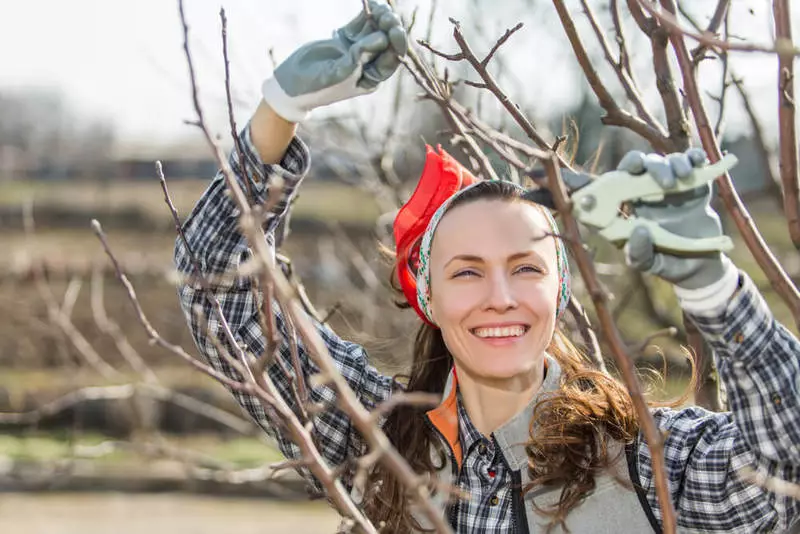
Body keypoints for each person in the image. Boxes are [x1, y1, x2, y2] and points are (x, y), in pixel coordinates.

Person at [175, 2, 800, 532]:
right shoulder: (380, 445)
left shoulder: (650, 462)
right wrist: (278, 114)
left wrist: (714, 289)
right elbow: (217, 293)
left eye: (526, 267)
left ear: (559, 285)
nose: (500, 296)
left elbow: (783, 474)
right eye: (467, 272)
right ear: (429, 296)